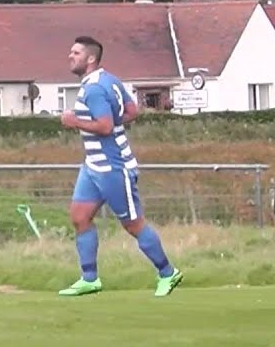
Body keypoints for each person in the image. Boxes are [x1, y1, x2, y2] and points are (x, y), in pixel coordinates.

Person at [57, 35, 183, 298]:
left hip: (114, 168)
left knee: (133, 224)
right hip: (93, 166)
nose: (71, 56)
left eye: (76, 53)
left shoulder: (94, 89)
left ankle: (167, 273)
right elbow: (132, 111)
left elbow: (104, 127)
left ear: (91, 58)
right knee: (80, 218)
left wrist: (74, 121)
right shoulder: (110, 80)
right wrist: (115, 124)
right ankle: (89, 278)